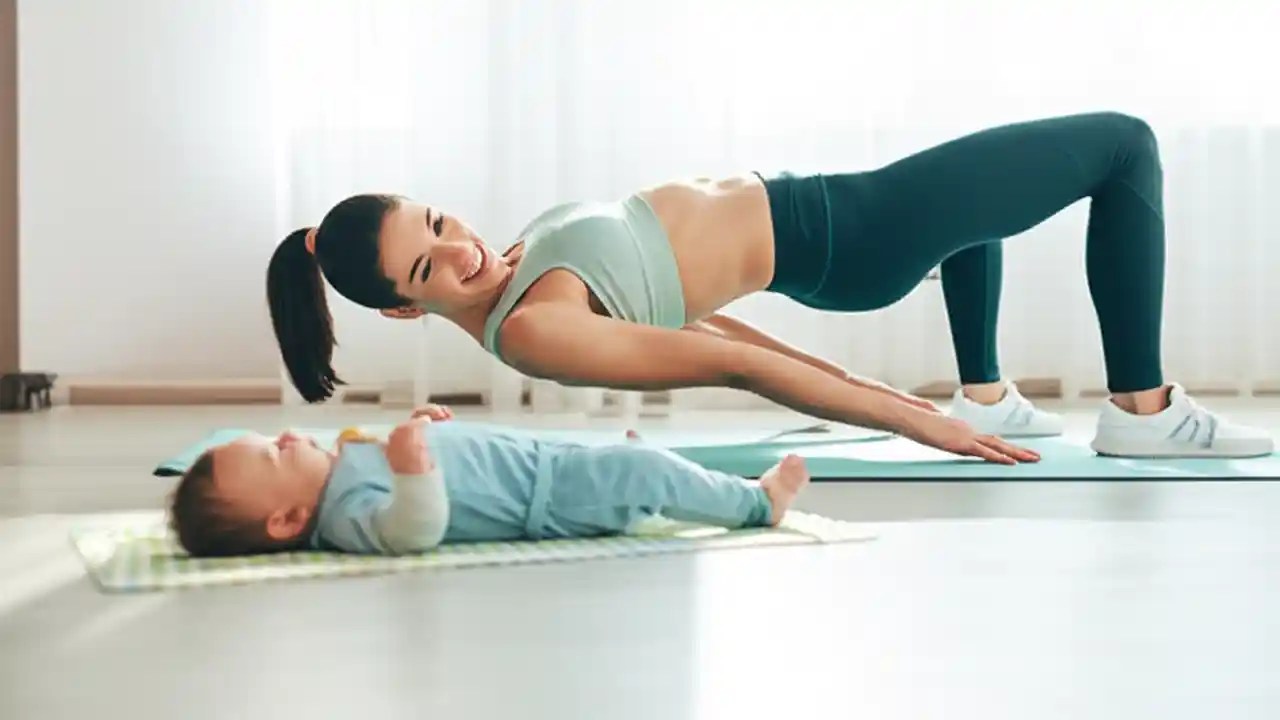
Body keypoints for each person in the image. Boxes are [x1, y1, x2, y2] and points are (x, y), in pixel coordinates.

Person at [267, 112, 1274, 462]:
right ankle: (1140, 406)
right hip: (848, 233)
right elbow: (723, 361)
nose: (459, 253)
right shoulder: (534, 330)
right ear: (404, 307)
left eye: (439, 223)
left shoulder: (522, 274)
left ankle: (984, 389)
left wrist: (893, 399)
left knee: (980, 207)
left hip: (837, 214)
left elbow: (697, 311)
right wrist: (902, 421)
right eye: (424, 268)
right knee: (1123, 145)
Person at [168, 404, 810, 557]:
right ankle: (758, 504)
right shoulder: (344, 515)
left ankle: (642, 482)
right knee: (642, 470)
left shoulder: (339, 464)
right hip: (545, 498)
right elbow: (413, 531)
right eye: (274, 456)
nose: (286, 437)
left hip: (537, 461)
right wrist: (414, 474)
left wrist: (420, 426)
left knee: (627, 462)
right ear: (286, 519)